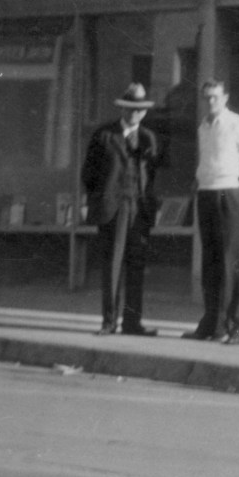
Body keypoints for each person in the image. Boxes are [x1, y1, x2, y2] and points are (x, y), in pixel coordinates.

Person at [81, 83, 161, 336]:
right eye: (130, 109)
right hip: (113, 208)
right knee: (113, 264)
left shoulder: (149, 138)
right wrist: (100, 200)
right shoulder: (104, 135)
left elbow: (153, 174)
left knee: (136, 265)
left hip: (140, 208)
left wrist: (149, 203)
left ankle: (132, 322)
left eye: (139, 110)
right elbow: (88, 174)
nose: (135, 114)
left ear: (145, 112)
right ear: (123, 109)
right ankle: (109, 322)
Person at [186, 79, 239, 345]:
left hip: (229, 194)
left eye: (215, 97)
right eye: (206, 97)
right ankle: (212, 324)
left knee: (234, 262)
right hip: (206, 194)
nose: (210, 102)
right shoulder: (203, 127)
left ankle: (238, 326)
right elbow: (206, 162)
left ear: (226, 97)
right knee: (211, 261)